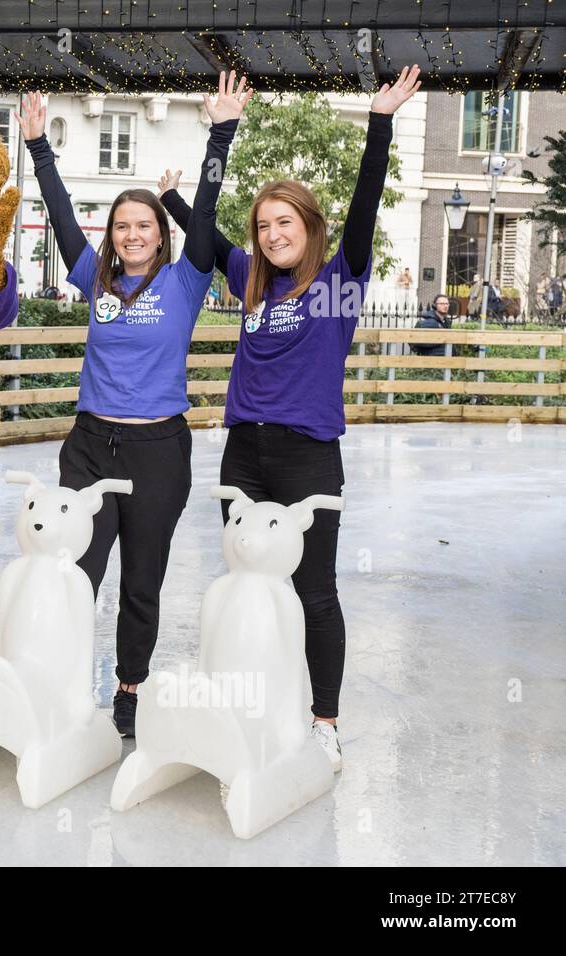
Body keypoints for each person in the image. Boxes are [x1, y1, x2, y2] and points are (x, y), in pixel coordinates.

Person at [160, 65, 424, 771]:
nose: (273, 234)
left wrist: (380, 122)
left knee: (314, 594)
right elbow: (203, 233)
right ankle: (249, 703)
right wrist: (201, 162)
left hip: (309, 460)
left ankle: (324, 721)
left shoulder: (341, 280)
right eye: (265, 225)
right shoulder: (249, 277)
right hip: (244, 457)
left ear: (309, 227)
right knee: (246, 584)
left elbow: (366, 203)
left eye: (285, 223)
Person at [16, 72, 250, 736]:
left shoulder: (187, 279)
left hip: (156, 452)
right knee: (72, 575)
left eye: (143, 224)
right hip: (91, 447)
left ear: (159, 232)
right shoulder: (95, 277)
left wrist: (221, 132)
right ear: (112, 234)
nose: (132, 234)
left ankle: (128, 689)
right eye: (122, 225)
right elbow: (61, 218)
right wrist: (38, 147)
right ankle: (59, 685)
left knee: (140, 583)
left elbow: (203, 212)